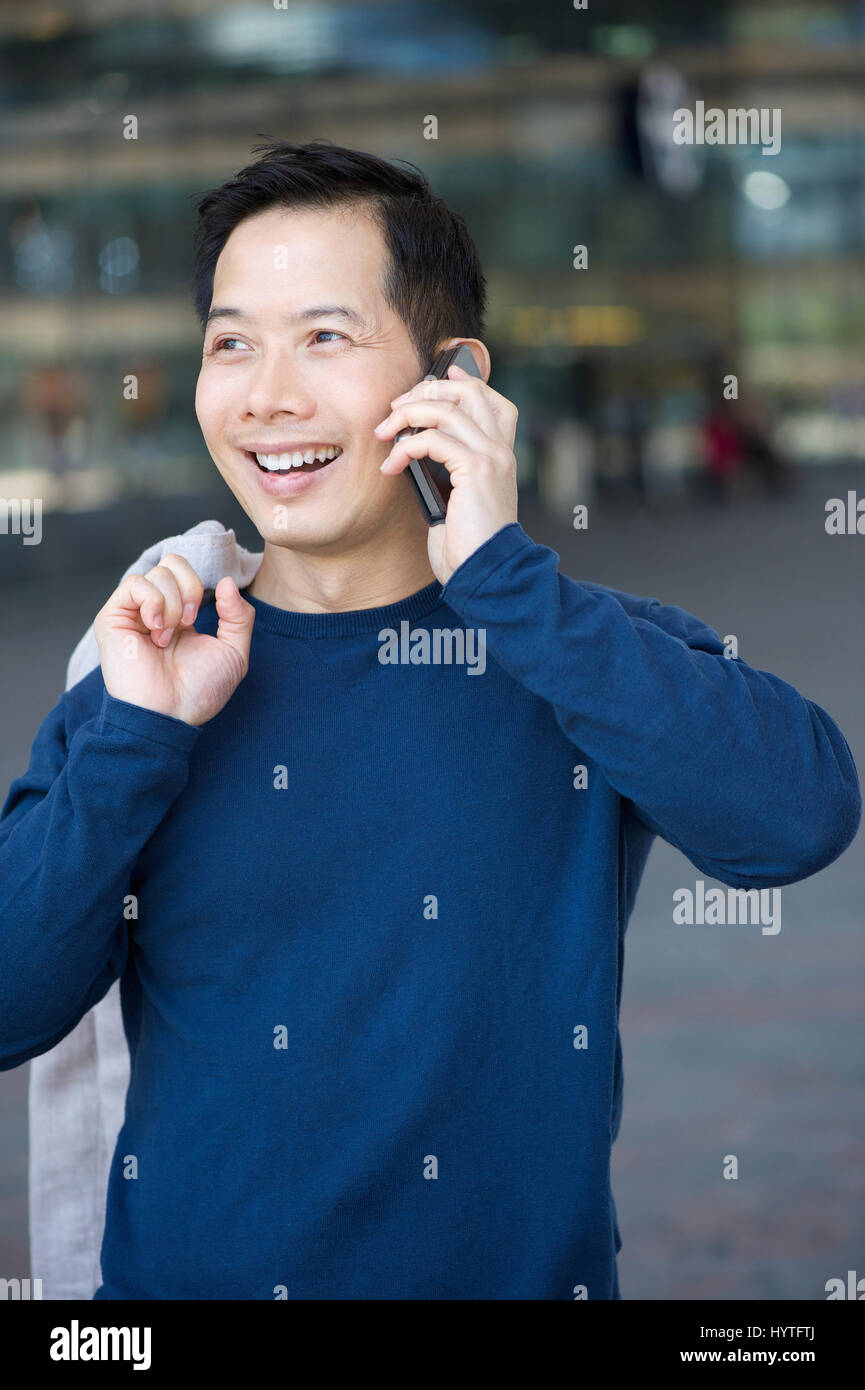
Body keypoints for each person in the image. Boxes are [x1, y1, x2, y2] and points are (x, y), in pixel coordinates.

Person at [0, 141, 860, 1301]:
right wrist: (136, 743)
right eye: (231, 342)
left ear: (450, 379)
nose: (266, 394)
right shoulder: (140, 679)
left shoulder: (569, 650)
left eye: (325, 336)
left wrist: (510, 587)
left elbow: (795, 818)